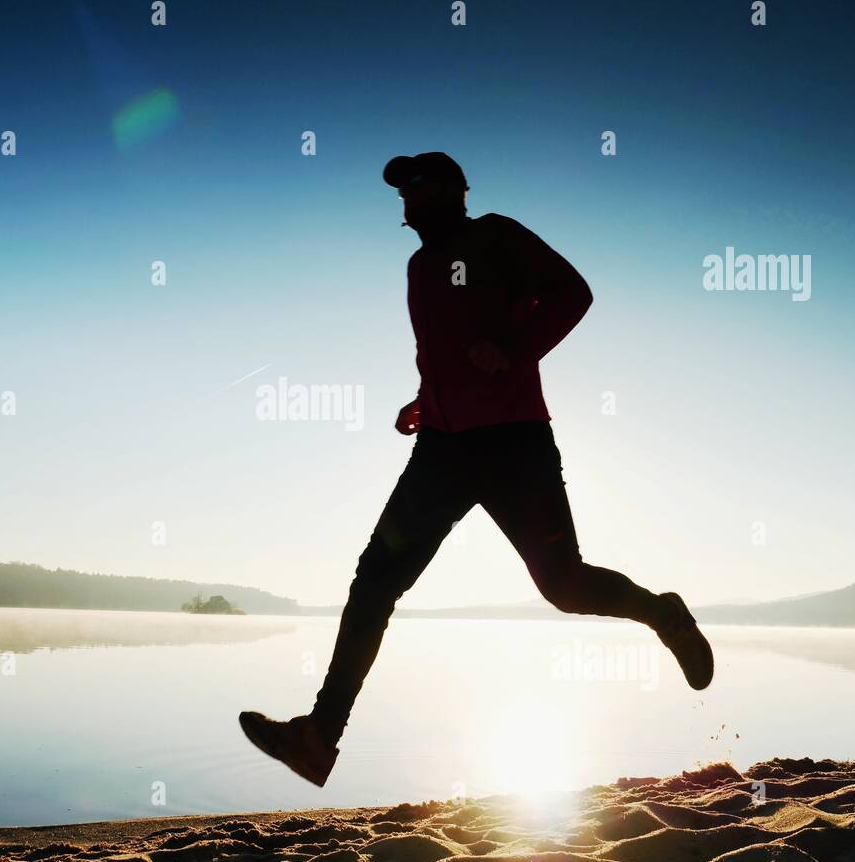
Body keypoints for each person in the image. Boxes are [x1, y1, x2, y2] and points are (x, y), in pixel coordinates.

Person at [239, 152, 713, 787]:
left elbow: (574, 293)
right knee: (375, 579)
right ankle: (320, 738)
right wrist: (425, 399)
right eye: (400, 188)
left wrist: (514, 351)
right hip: (441, 451)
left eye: (418, 183)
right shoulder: (417, 266)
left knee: (564, 586)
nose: (406, 196)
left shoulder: (496, 236)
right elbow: (447, 355)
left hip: (514, 443)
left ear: (455, 190)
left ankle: (661, 613)